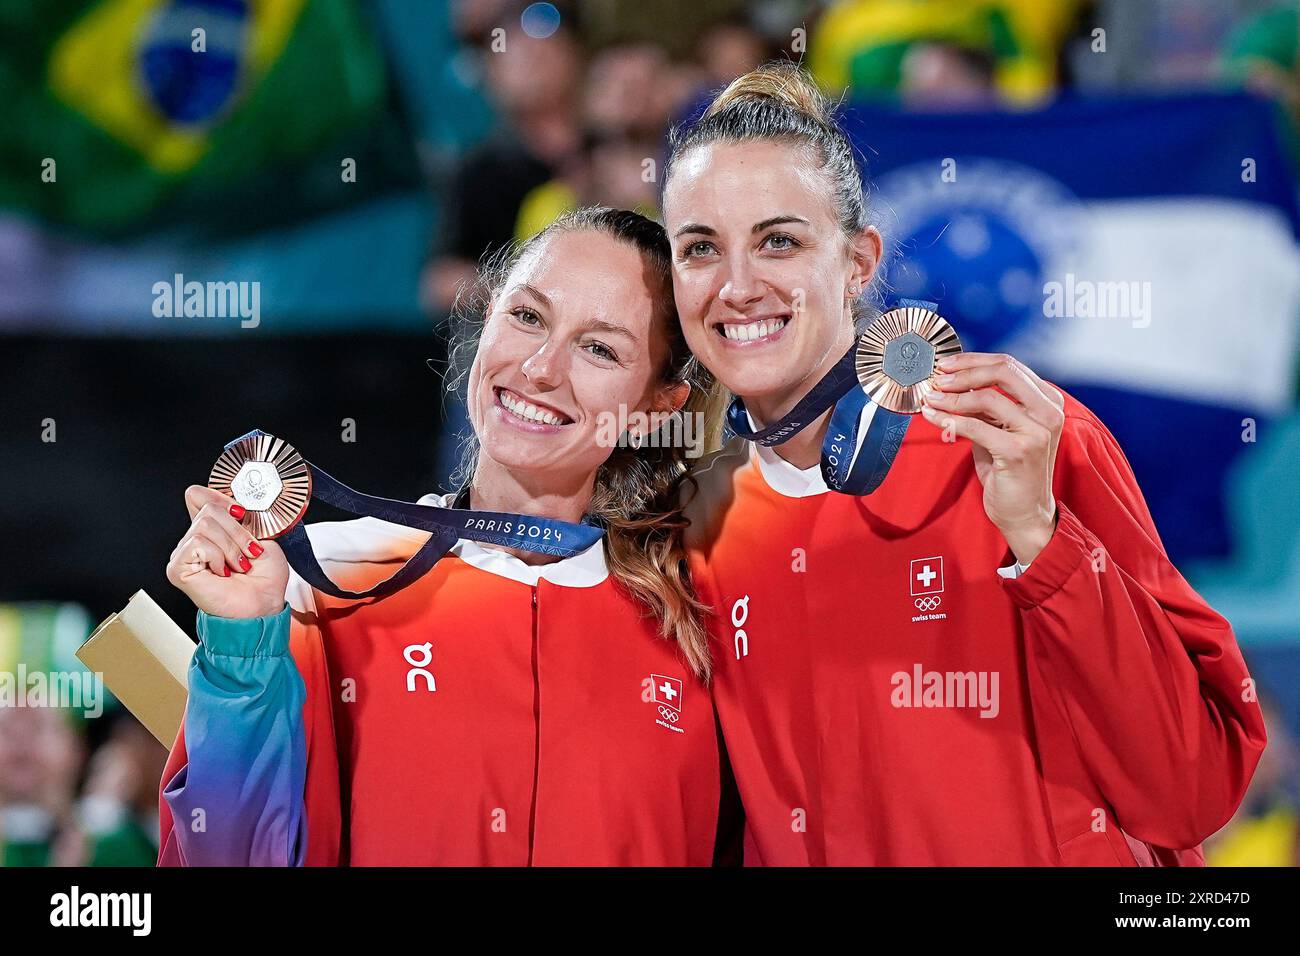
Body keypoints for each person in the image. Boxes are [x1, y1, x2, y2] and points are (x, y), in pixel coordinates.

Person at [662, 62, 1267, 866]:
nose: (738, 286)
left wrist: (1041, 538)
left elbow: (1190, 789)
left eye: (780, 240)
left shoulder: (1015, 437)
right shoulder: (690, 529)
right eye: (700, 249)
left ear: (859, 263)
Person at [157, 207, 732, 866]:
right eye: (527, 316)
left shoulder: (693, 632)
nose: (542, 368)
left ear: (656, 408)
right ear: (486, 323)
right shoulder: (331, 580)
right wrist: (242, 648)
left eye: (599, 348)